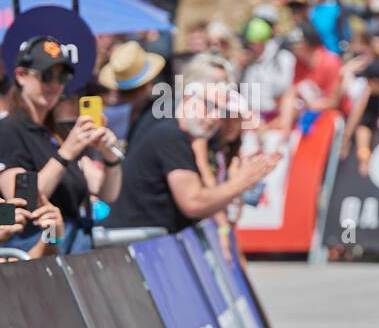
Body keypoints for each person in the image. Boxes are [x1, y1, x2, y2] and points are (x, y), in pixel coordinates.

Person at [106, 60, 282, 233]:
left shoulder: (184, 136)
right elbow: (193, 203)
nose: (214, 117)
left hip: (151, 243)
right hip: (133, 245)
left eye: (221, 112)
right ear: (188, 99)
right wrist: (241, 183)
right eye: (208, 105)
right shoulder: (170, 135)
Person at [0, 36, 121, 253]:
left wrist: (109, 156)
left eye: (62, 77)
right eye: (47, 76)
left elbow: (108, 196)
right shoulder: (8, 130)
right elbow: (23, 202)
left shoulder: (51, 134)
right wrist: (66, 153)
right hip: (41, 254)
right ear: (21, 76)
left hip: (71, 248)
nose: (55, 85)